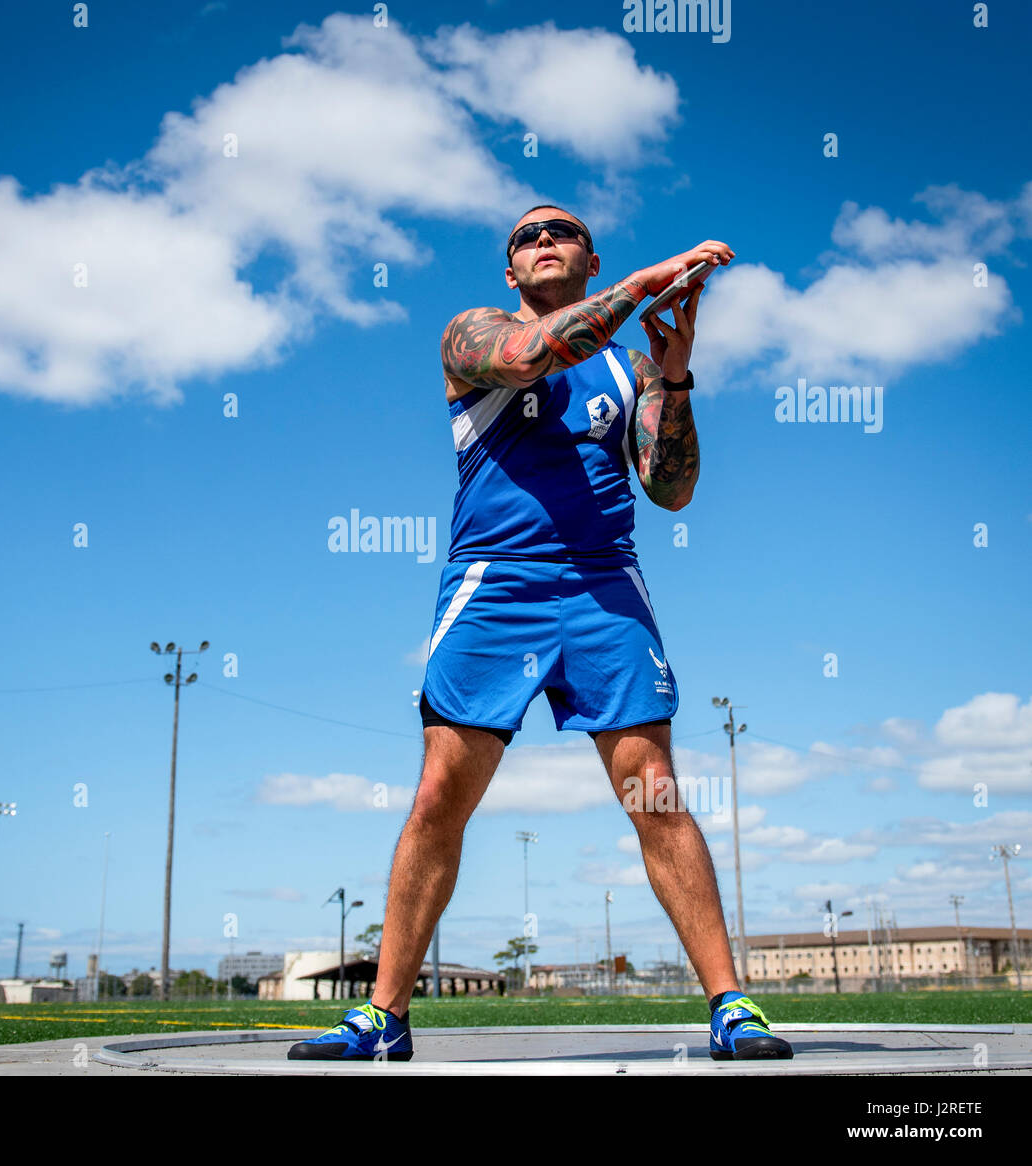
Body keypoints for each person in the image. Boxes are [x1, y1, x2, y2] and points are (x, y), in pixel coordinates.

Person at [289, 206, 791, 1063]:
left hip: (604, 586)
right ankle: (383, 1015)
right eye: (527, 237)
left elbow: (671, 491)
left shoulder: (630, 366)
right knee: (441, 794)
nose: (544, 239)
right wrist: (645, 285)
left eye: (562, 231)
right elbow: (530, 356)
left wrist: (673, 380)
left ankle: (731, 1006)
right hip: (496, 584)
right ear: (512, 273)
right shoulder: (472, 334)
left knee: (654, 792)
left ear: (589, 259)